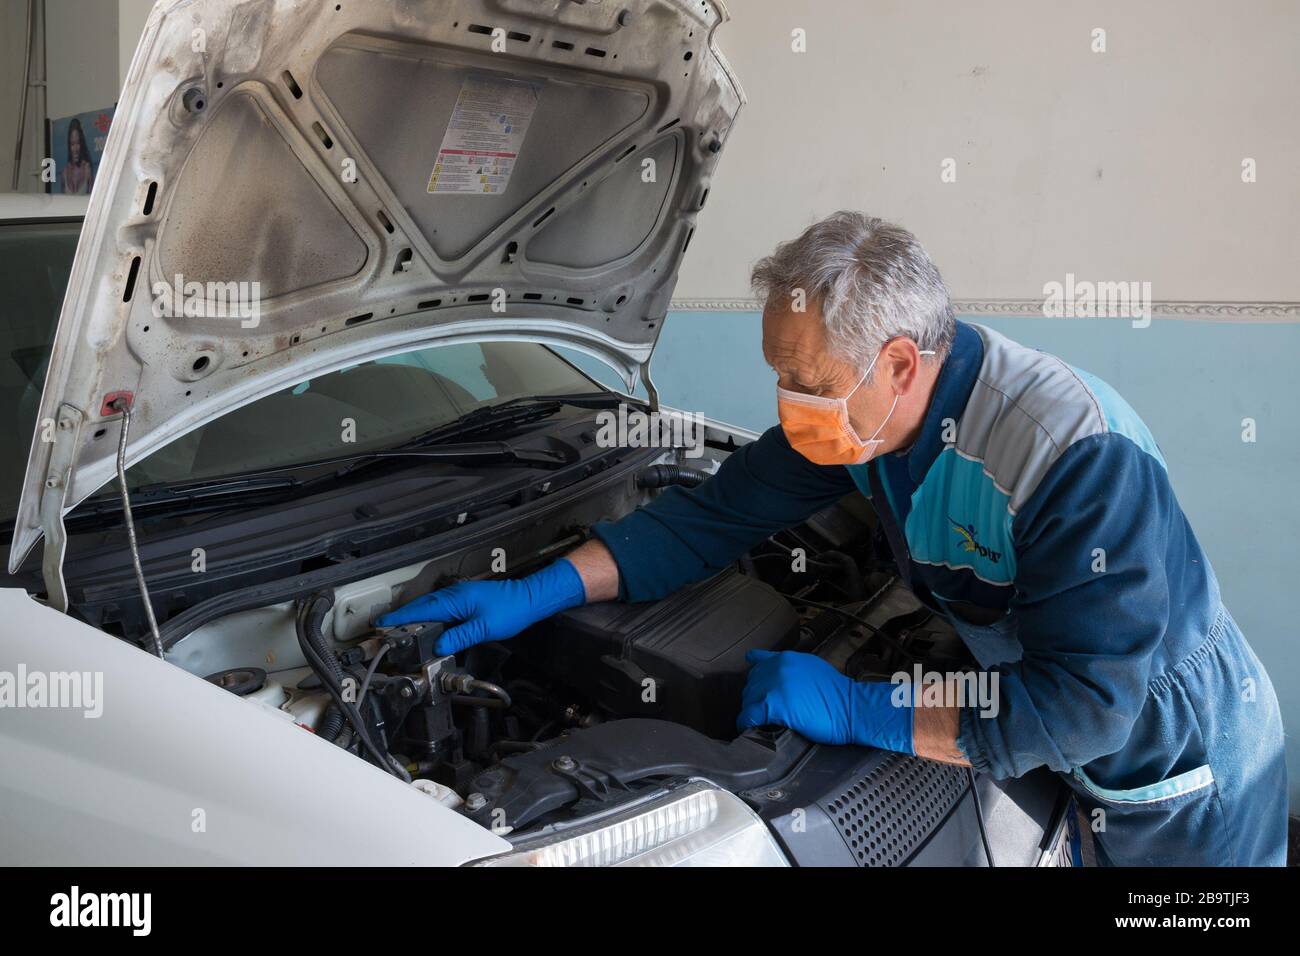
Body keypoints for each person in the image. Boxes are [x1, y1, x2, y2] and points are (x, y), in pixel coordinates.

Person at [379, 211, 1287, 867]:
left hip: (1180, 768)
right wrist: (538, 591)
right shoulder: (861, 425)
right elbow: (709, 517)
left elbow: (1085, 710)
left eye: (806, 378)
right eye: (778, 374)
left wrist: (859, 711)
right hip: (1064, 745)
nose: (787, 405)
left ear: (899, 361)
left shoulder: (1069, 455)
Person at [60, 119, 94, 195]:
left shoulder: (87, 170)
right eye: (72, 144)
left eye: (78, 143)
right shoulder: (64, 173)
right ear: (69, 146)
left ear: (81, 144)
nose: (75, 149)